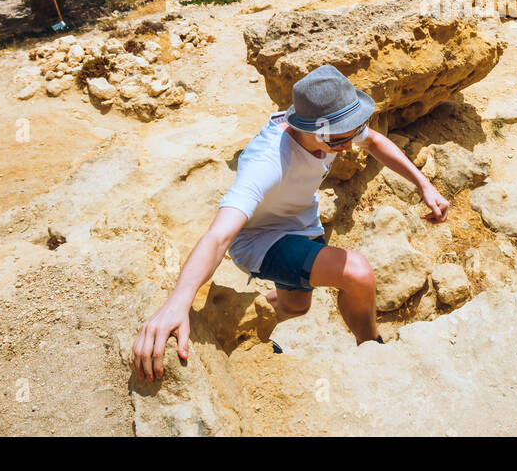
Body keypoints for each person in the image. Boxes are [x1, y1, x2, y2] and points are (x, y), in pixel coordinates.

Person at [131, 65, 450, 376]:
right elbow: (218, 235)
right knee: (358, 272)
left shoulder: (330, 123)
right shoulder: (267, 161)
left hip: (302, 223)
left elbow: (375, 142)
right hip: (261, 241)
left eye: (353, 133)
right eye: (340, 141)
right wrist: (177, 302)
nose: (350, 145)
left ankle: (238, 323)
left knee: (298, 306)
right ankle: (374, 353)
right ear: (313, 131)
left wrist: (424, 184)